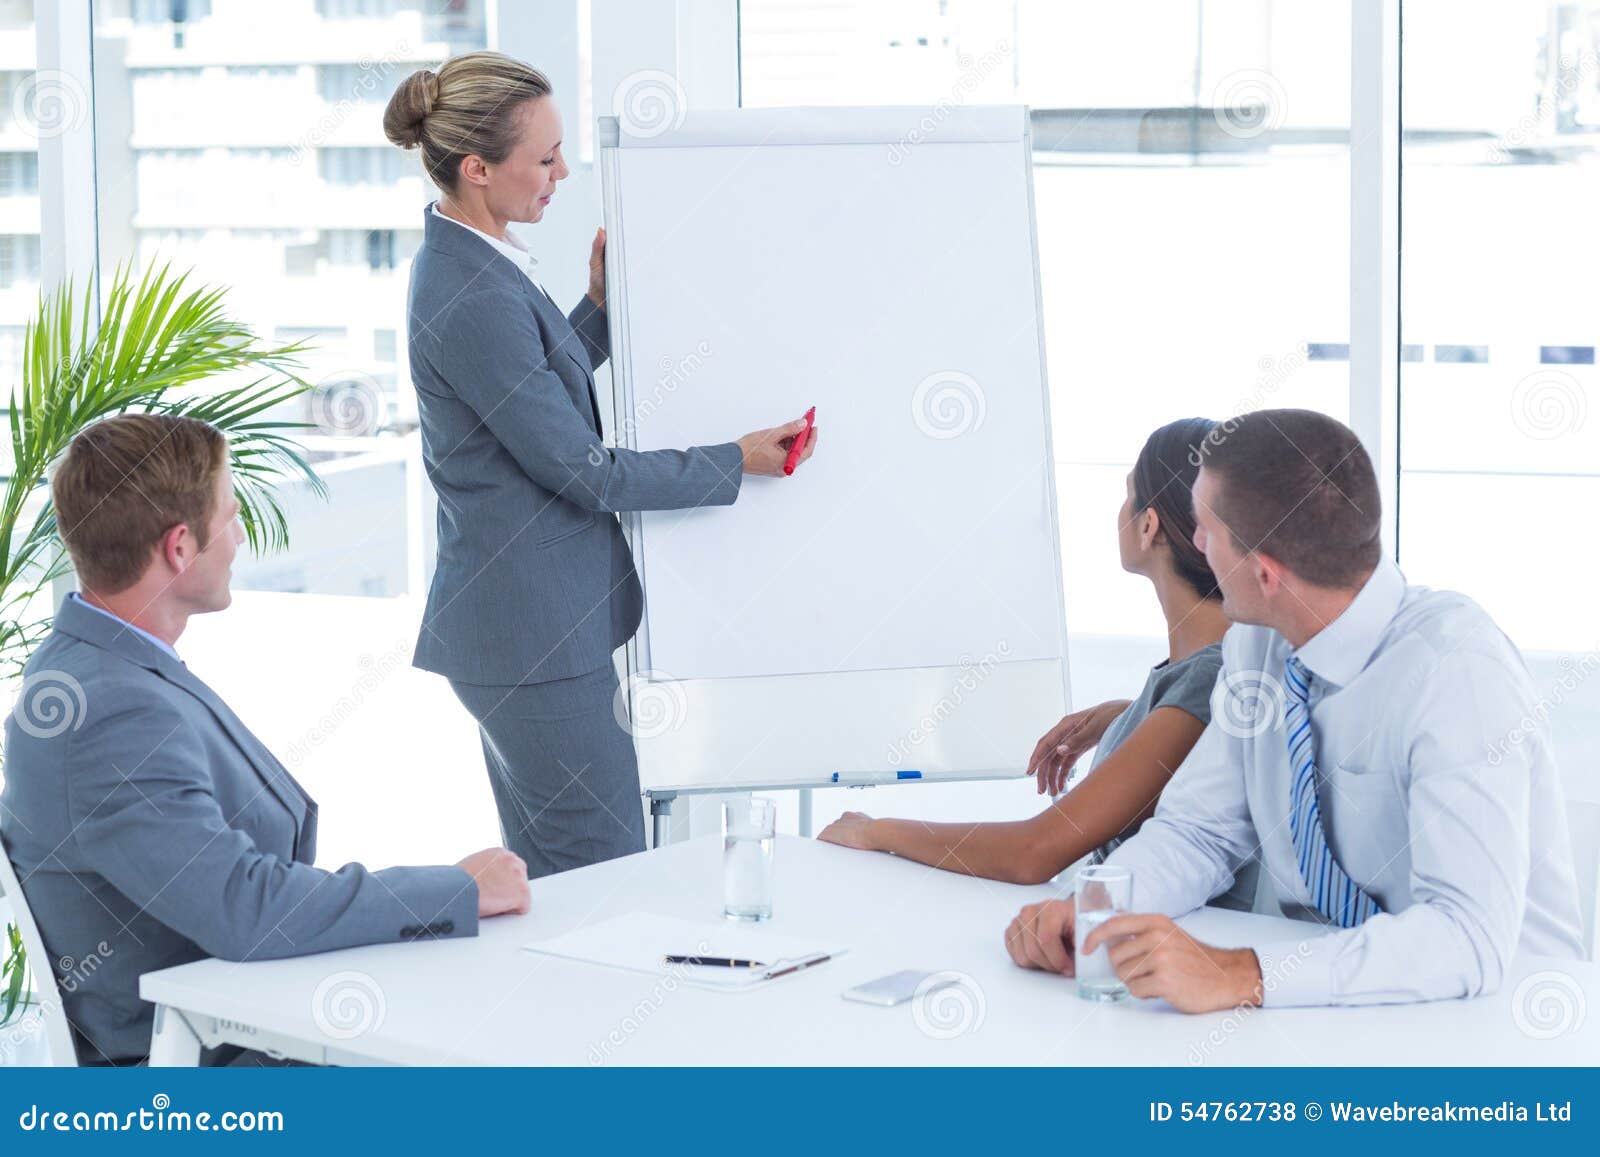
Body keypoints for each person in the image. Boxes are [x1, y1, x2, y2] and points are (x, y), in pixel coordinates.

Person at [383, 52, 817, 879]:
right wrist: (735, 461)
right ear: (477, 169)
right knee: (608, 875)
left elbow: (527, 396)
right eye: (545, 158)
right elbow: (582, 469)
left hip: (533, 634)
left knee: (564, 881)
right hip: (532, 641)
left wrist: (599, 310)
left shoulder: (477, 258)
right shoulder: (471, 290)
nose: (561, 173)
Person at [1003, 408, 1584, 1011]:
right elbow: (1200, 832)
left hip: (1495, 1015)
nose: (1194, 544)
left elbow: (1466, 935)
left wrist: (1241, 973)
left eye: (1207, 530)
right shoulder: (1257, 645)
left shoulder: (1457, 671)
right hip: (1332, 1002)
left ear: (1265, 573)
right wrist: (1094, 914)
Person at [0, 415, 531, 1065]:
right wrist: (456, 889)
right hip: (208, 1063)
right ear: (178, 548)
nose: (240, 536)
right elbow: (244, 906)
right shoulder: (109, 712)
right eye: (230, 517)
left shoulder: (102, 665)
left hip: (245, 1012)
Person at [819, 420, 1256, 903]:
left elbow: (1033, 852)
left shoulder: (1208, 678)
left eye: (1129, 494)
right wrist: (1130, 715)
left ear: (1149, 525)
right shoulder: (1206, 671)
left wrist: (876, 831)